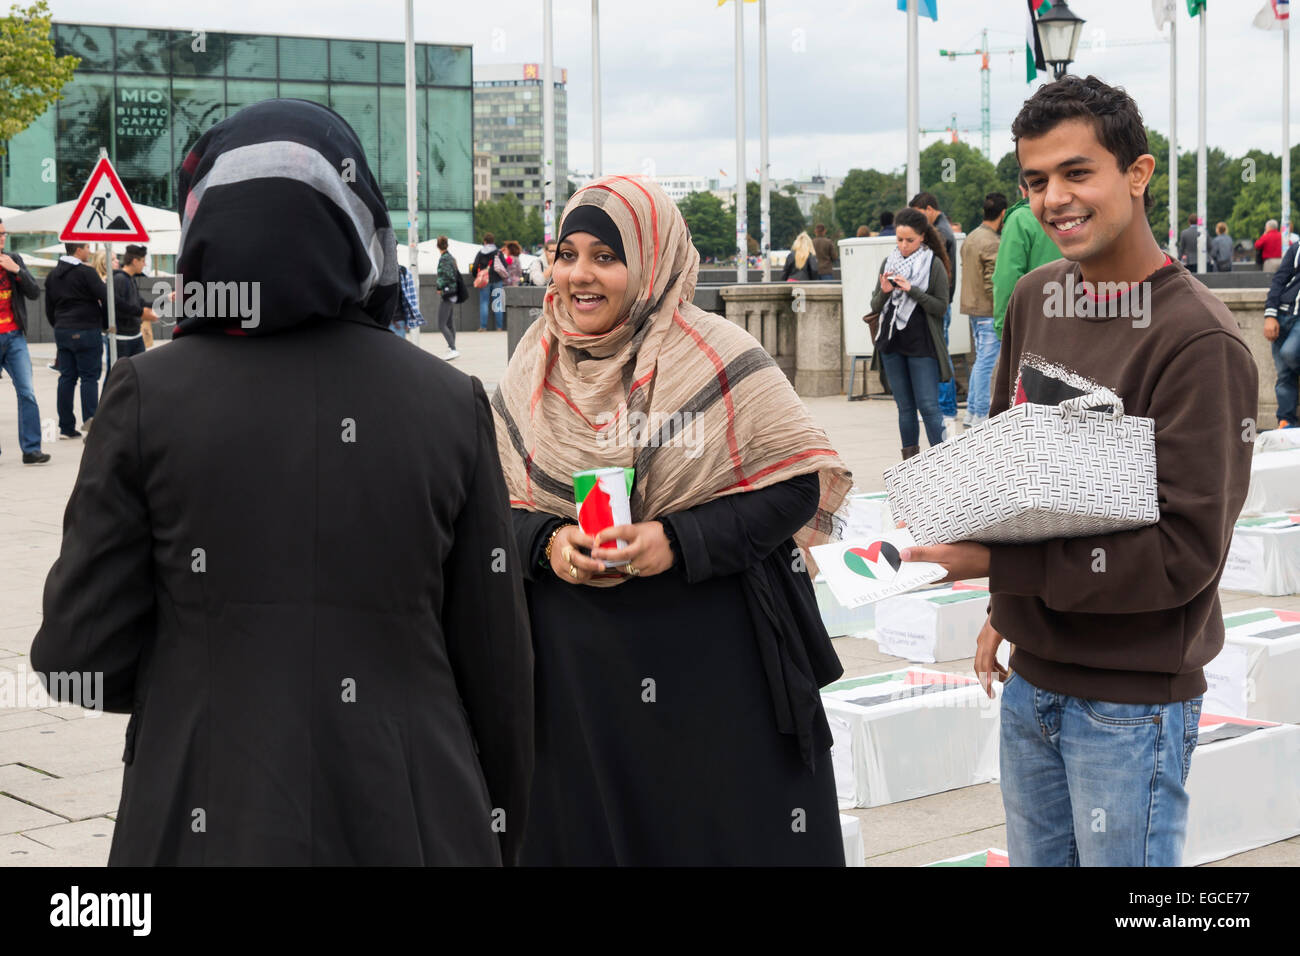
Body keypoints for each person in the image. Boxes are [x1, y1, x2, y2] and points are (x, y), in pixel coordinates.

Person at [31, 99, 534, 866]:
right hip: (415, 814)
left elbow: (79, 661)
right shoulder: (448, 403)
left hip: (202, 809)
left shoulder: (145, 397)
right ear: (359, 224)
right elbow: (500, 670)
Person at [905, 75, 1256, 868]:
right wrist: (1008, 600)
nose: (1054, 198)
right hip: (1031, 684)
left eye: (1077, 172)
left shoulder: (1200, 342)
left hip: (1131, 706)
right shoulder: (1033, 297)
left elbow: (1183, 556)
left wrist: (1001, 565)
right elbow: (1009, 474)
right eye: (1036, 181)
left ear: (1138, 174)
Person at [494, 174, 852, 866]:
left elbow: (795, 488)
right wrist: (548, 543)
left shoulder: (717, 354)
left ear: (653, 260)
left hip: (711, 662)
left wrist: (675, 541)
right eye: (567, 254)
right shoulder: (533, 364)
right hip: (575, 671)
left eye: (607, 255)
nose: (580, 276)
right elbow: (491, 506)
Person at [869, 207, 952, 458]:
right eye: (899, 240)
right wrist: (884, 291)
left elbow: (940, 307)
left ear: (923, 237)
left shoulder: (933, 264)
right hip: (892, 342)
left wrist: (912, 289)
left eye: (910, 240)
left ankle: (944, 463)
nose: (904, 245)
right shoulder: (889, 261)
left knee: (928, 406)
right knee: (904, 408)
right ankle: (911, 468)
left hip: (922, 343)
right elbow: (874, 306)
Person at [45, 242, 109, 438]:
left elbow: (49, 307)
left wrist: (59, 325)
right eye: (87, 248)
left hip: (63, 329)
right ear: (79, 249)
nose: (89, 251)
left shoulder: (53, 275)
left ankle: (66, 427)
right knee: (89, 378)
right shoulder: (86, 273)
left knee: (66, 377)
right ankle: (90, 424)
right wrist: (104, 323)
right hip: (87, 329)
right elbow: (105, 296)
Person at [908, 192, 959, 433]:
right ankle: (944, 407)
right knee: (940, 352)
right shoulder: (944, 230)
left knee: (940, 354)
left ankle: (946, 408)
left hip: (937, 303)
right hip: (942, 301)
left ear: (928, 209)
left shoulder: (940, 233)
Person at [0, 217, 49, 464]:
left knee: (27, 392)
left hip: (14, 336)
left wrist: (16, 270)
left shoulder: (14, 259)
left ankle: (31, 449)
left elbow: (33, 292)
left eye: (4, 234)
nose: (2, 238)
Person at [991, 173, 1063, 339]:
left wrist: (1003, 329)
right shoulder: (1075, 213)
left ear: (1022, 190)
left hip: (1034, 326)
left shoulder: (1020, 219)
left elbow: (1007, 279)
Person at [959, 193, 1006, 426]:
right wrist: (1002, 310)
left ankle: (972, 412)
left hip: (973, 309)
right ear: (1003, 213)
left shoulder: (972, 237)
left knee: (980, 362)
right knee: (986, 364)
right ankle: (979, 414)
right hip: (988, 311)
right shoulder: (992, 242)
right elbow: (993, 281)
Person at [1263, 236, 1300, 427]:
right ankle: (1286, 421)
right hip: (1282, 314)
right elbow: (1278, 280)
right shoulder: (1296, 248)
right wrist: (1270, 315)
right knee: (1284, 374)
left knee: (1289, 353)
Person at [106, 245, 157, 377]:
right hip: (122, 338)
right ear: (135, 261)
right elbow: (119, 307)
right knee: (117, 377)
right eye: (143, 261)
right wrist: (142, 313)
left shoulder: (130, 279)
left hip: (135, 335)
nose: (144, 264)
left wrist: (166, 299)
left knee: (139, 374)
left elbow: (140, 303)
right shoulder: (120, 279)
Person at [434, 235, 462, 360]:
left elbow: (446, 276)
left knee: (441, 324)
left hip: (448, 293)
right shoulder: (451, 258)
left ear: (437, 246)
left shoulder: (444, 259)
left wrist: (440, 287)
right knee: (450, 322)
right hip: (453, 293)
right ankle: (452, 348)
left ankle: (453, 348)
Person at [472, 232, 506, 330]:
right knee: (498, 303)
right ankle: (499, 327)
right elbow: (504, 265)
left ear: (485, 241)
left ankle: (483, 327)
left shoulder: (481, 252)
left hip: (484, 280)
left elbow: (474, 266)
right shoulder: (498, 252)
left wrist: (476, 276)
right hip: (497, 279)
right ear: (493, 241)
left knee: (484, 302)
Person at [392, 264, 426, 338]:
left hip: (399, 321)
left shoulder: (404, 272)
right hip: (383, 321)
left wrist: (408, 321)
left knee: (398, 347)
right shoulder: (379, 269)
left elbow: (411, 299)